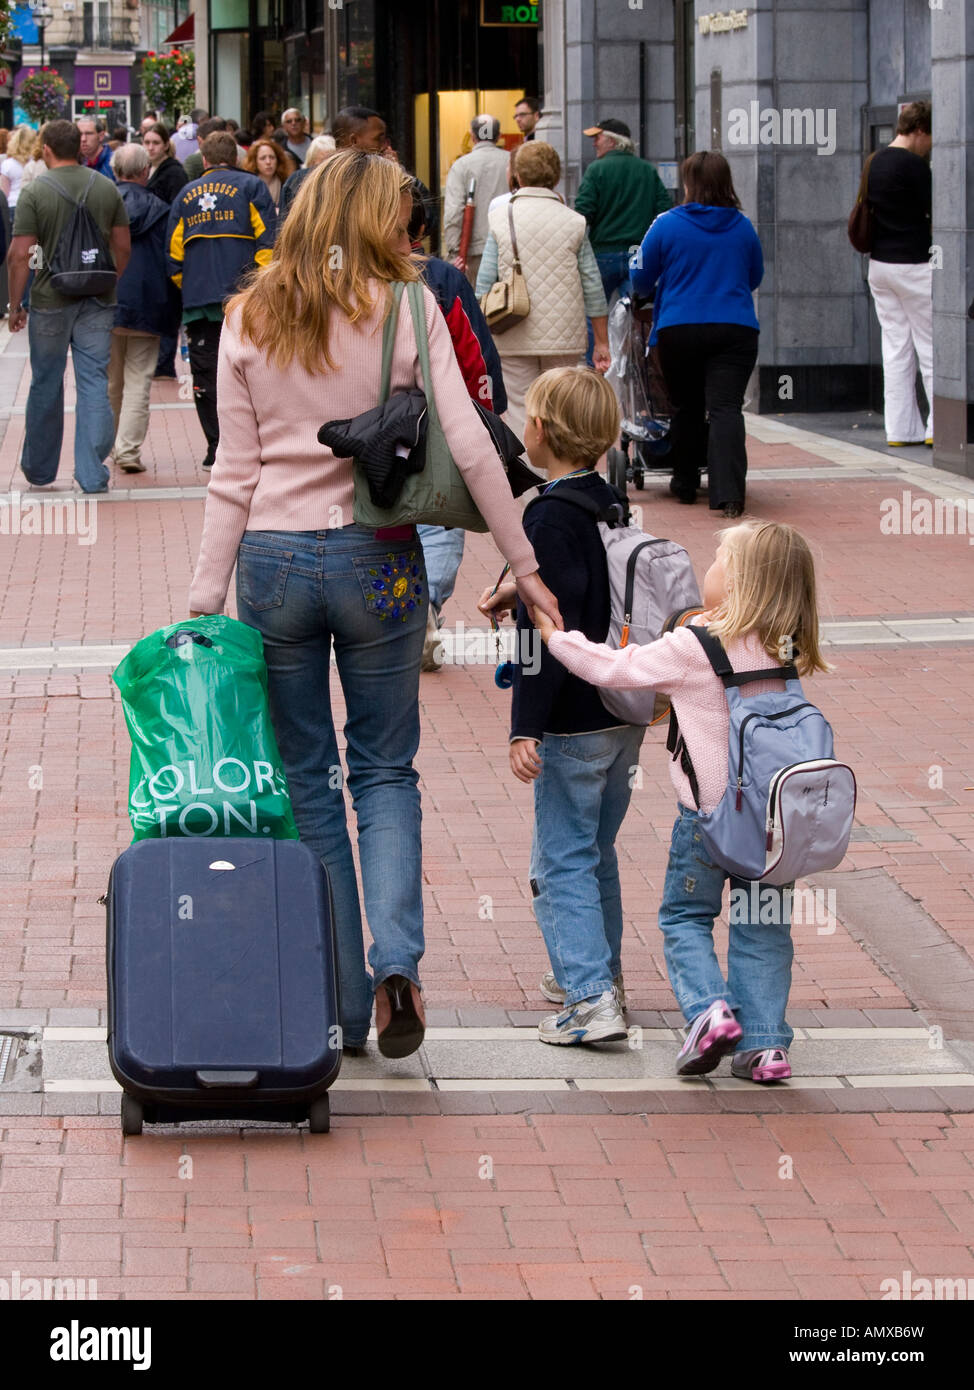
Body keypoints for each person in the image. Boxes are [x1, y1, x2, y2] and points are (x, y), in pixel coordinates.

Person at [185, 149, 562, 1059]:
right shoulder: (406, 305)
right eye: (397, 217)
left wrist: (200, 603)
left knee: (309, 781)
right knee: (386, 771)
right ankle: (399, 967)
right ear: (368, 222)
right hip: (379, 559)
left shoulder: (250, 314)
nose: (406, 231)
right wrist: (527, 562)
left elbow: (231, 474)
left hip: (272, 562)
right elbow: (472, 446)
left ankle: (341, 1002)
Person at [530, 519, 829, 1082]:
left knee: (686, 917)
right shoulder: (787, 644)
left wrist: (554, 638)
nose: (706, 573)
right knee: (763, 926)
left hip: (708, 823)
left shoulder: (697, 644)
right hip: (774, 826)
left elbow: (613, 668)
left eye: (718, 565)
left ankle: (708, 1012)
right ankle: (764, 1047)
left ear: (739, 583)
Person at [505, 367, 643, 1045]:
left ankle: (589, 1000)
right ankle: (603, 979)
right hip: (621, 713)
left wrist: (525, 725)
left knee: (559, 862)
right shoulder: (609, 503)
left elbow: (547, 631)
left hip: (570, 721)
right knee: (596, 853)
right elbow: (592, 593)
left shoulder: (547, 515)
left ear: (543, 431)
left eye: (528, 415)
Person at [400, 183, 510, 672]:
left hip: (379, 426)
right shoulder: (441, 277)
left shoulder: (357, 276)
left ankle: (396, 611)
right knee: (440, 521)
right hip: (443, 417)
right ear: (423, 229)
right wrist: (486, 411)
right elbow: (475, 352)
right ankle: (426, 604)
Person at [632, 150, 763, 517]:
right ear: (726, 183)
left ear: (689, 184)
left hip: (680, 327)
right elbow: (755, 276)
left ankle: (685, 482)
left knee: (685, 406)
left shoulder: (666, 225)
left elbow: (640, 273)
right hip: (734, 327)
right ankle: (729, 494)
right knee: (725, 408)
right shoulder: (742, 225)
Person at [6, 119, 130, 493]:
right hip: (97, 299)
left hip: (49, 299)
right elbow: (123, 246)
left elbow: (19, 254)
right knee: (94, 380)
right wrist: (111, 280)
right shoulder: (106, 187)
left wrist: (15, 304)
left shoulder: (35, 191)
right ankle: (92, 474)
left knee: (46, 381)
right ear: (81, 146)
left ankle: (40, 470)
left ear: (45, 149)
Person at [476, 140, 610, 439]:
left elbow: (484, 284)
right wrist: (601, 341)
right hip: (564, 334)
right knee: (562, 408)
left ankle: (528, 482)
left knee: (520, 408)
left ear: (518, 176)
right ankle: (562, 478)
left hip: (511, 329)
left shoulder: (500, 218)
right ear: (556, 176)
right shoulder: (574, 222)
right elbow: (592, 284)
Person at [166, 130, 276, 469]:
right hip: (245, 301)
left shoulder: (185, 195)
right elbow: (268, 244)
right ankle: (249, 444)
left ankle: (216, 447)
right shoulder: (252, 188)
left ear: (204, 158)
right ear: (239, 157)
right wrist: (258, 289)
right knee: (253, 373)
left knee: (205, 376)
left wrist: (192, 287)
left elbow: (173, 256)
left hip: (199, 306)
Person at [864, 100, 934, 446]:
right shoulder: (915, 166)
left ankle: (901, 430)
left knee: (895, 348)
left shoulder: (873, 163)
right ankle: (940, 426)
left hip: (880, 266)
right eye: (931, 137)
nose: (931, 145)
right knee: (932, 344)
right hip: (915, 265)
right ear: (920, 130)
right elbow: (934, 211)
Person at [108, 143, 180, 474]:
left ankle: (106, 444)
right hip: (149, 304)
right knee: (139, 379)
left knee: (109, 381)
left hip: (107, 299)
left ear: (115, 170)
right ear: (145, 171)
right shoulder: (162, 210)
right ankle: (128, 449)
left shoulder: (103, 206)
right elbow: (171, 259)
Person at [575, 118, 670, 308]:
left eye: (598, 138)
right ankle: (633, 339)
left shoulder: (596, 170)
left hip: (603, 253)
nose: (594, 143)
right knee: (637, 312)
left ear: (612, 141)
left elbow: (583, 212)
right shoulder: (647, 170)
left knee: (595, 313)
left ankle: (599, 339)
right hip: (639, 252)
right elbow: (664, 210)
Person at [443, 115, 512, 288]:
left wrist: (454, 254)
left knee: (477, 307)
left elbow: (454, 213)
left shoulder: (461, 165)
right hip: (510, 248)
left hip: (474, 252)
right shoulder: (512, 161)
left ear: (472, 136)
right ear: (498, 136)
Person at [278, 134, 337, 219]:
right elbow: (283, 219)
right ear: (311, 162)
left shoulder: (340, 182)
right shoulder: (295, 180)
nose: (326, 168)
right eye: (322, 162)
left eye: (331, 162)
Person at [242, 138, 296, 217]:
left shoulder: (287, 184)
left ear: (278, 160)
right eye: (263, 158)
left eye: (272, 157)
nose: (268, 162)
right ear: (254, 162)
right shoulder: (248, 187)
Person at [143, 122, 190, 204]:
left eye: (156, 143)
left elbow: (178, 206)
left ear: (166, 145)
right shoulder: (144, 168)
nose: (150, 148)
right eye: (147, 143)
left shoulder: (175, 173)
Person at [1, 125, 34, 209]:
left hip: (13, 204)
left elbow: (4, 192)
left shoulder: (7, 164)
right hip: (33, 204)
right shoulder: (36, 163)